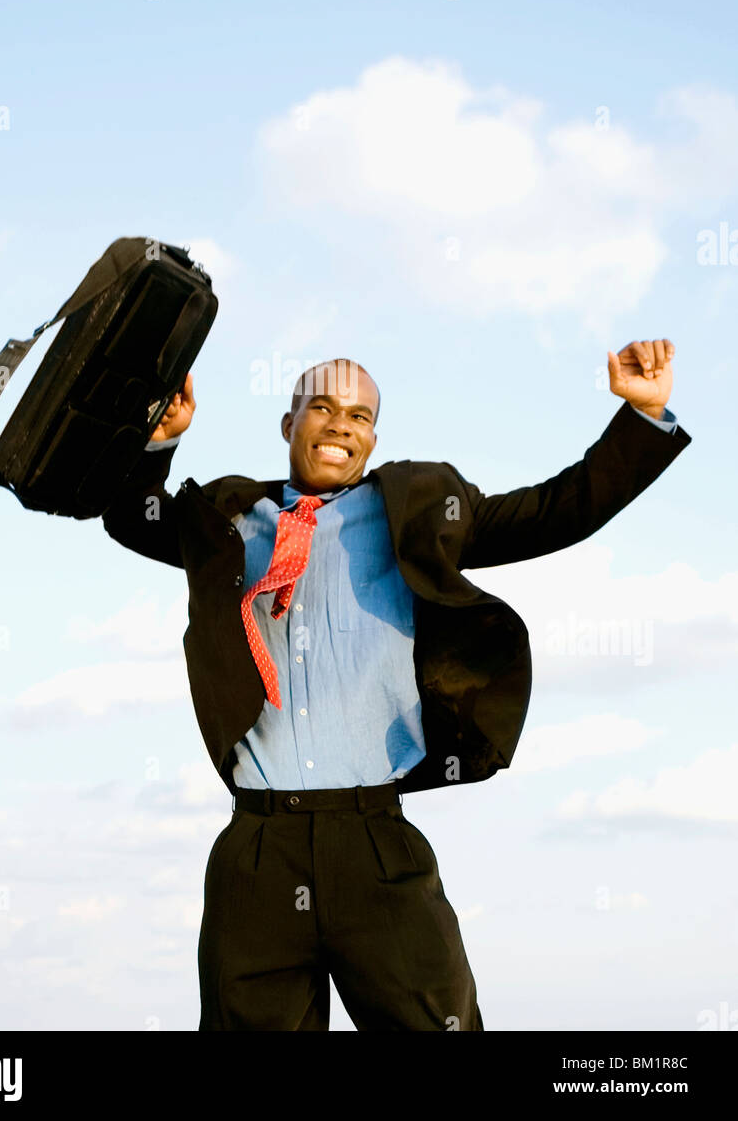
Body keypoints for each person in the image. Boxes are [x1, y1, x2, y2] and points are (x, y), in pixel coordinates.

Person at [101, 340, 690, 1030]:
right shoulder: (226, 520)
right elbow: (129, 516)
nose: (340, 424)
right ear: (288, 424)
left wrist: (641, 415)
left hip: (375, 842)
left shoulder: (416, 515)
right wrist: (154, 445)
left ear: (372, 437)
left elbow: (554, 511)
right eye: (321, 407)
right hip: (256, 851)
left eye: (358, 414)